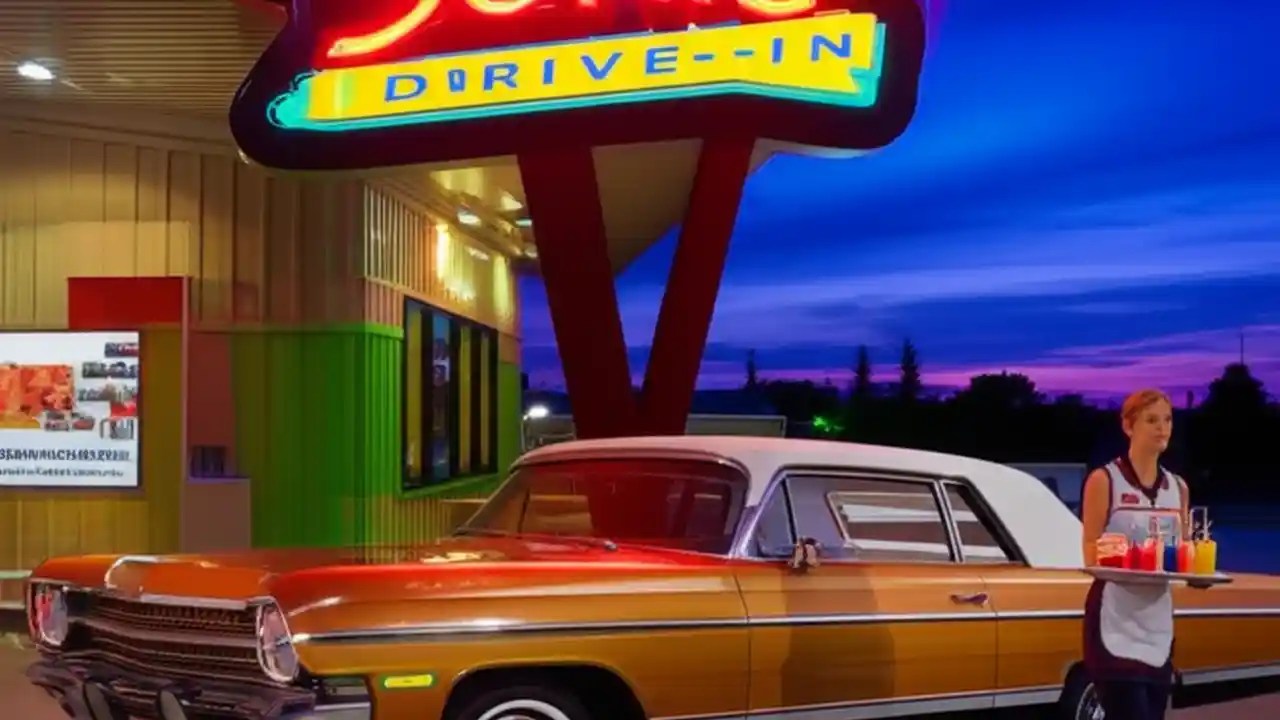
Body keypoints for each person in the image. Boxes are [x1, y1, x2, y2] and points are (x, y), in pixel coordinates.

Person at [1081, 388, 1190, 720]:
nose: (1163, 428)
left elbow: (1180, 553)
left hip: (1157, 626)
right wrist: (1125, 559)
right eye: (1152, 420)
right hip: (1114, 621)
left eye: (1167, 420)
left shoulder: (1178, 488)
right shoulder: (1104, 480)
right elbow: (1090, 552)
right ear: (1128, 426)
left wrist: (1192, 575)